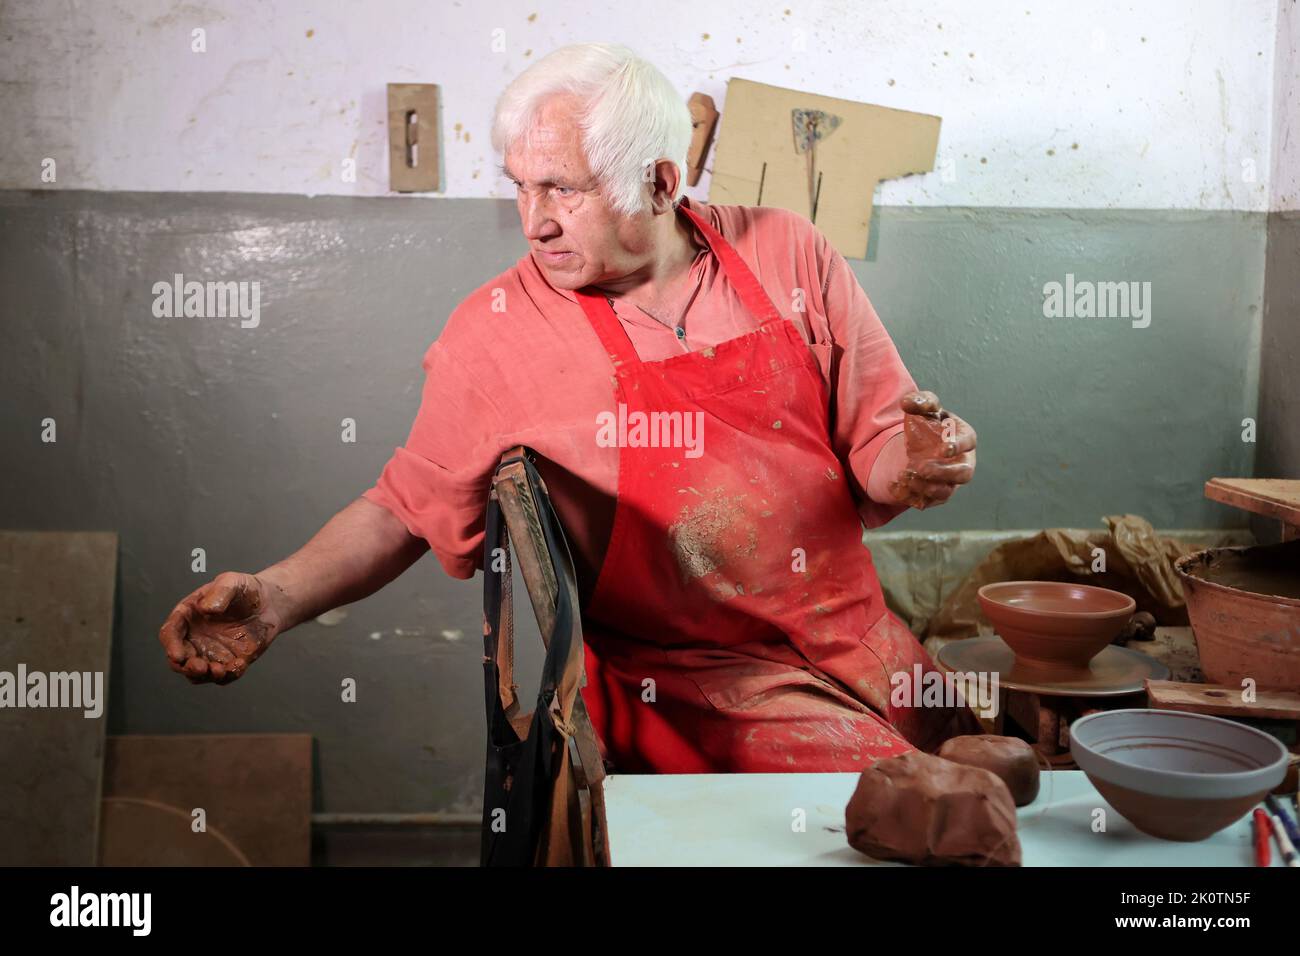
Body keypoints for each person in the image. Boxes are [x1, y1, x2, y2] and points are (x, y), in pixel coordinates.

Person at [158, 43, 981, 772]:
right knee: (926, 814)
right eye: (520, 187)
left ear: (661, 182)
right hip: (702, 690)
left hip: (859, 642)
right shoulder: (499, 334)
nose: (533, 223)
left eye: (562, 190)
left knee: (1009, 771)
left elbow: (879, 439)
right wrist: (275, 599)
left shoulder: (786, 249)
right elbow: (405, 509)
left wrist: (920, 461)